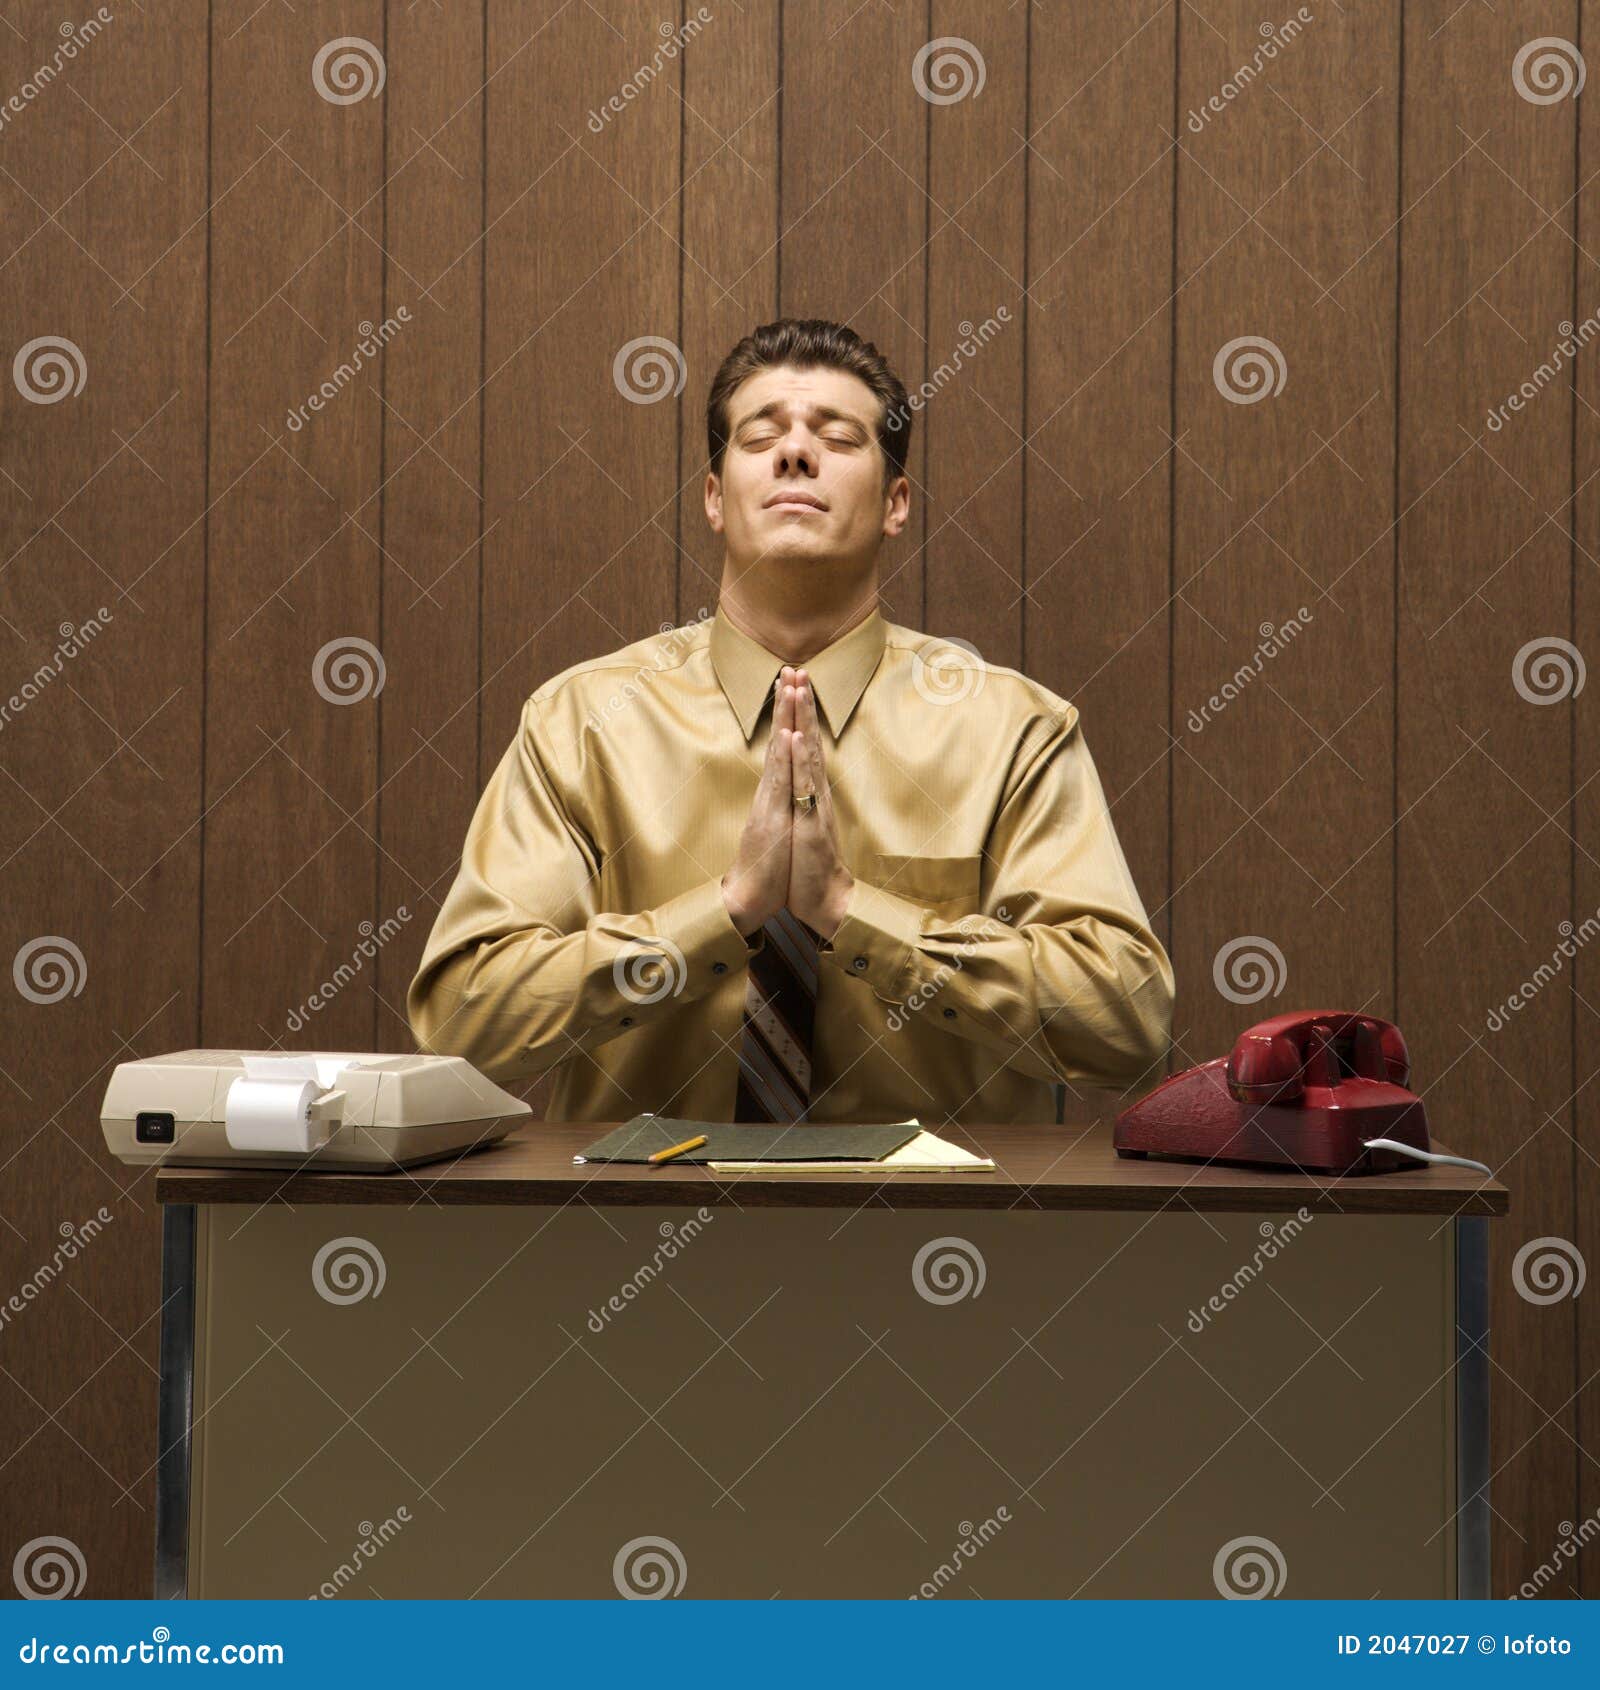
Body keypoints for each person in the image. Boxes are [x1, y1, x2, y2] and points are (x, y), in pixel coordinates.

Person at [406, 318, 1173, 1125]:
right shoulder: (584, 723)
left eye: (838, 437)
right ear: (714, 497)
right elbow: (463, 1020)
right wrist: (727, 912)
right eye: (760, 435)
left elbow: (1127, 1024)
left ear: (895, 503)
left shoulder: (1012, 728)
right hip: (633, 1231)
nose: (796, 452)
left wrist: (852, 915)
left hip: (935, 1235)